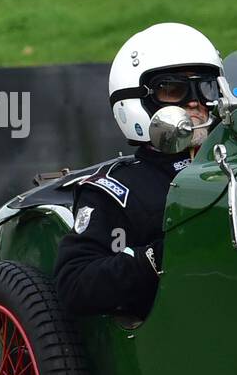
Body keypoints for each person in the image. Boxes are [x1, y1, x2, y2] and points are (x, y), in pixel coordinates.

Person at [54, 23, 222, 319]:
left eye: (206, 86)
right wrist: (157, 256)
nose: (196, 101)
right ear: (136, 100)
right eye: (173, 89)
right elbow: (75, 285)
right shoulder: (117, 189)